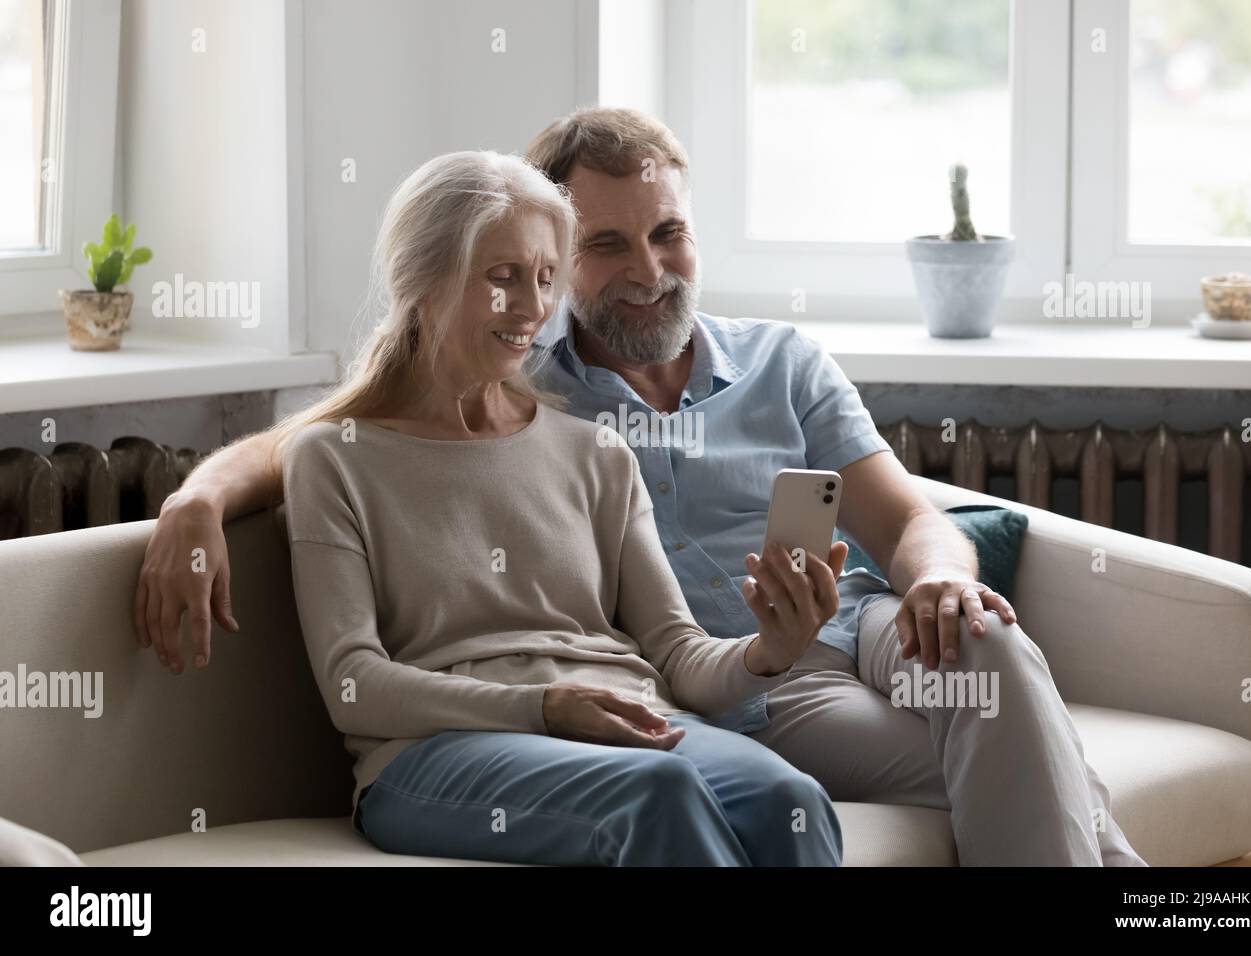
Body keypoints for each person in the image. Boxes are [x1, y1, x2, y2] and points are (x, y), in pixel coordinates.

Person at [136, 108, 1146, 866]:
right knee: (1005, 760)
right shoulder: (531, 379)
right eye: (601, 247)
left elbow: (901, 521)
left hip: (819, 637)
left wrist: (926, 584)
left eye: (666, 234)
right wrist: (198, 495)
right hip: (741, 696)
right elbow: (337, 438)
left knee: (987, 648)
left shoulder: (722, 381)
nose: (646, 271)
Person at [268, 149, 843, 866]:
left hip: (629, 723)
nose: (532, 307)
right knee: (655, 792)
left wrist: (770, 651)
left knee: (791, 800)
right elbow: (354, 685)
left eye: (545, 278)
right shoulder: (336, 457)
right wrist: (542, 708)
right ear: (422, 279)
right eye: (502, 277)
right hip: (437, 755)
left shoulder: (595, 453)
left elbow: (679, 654)